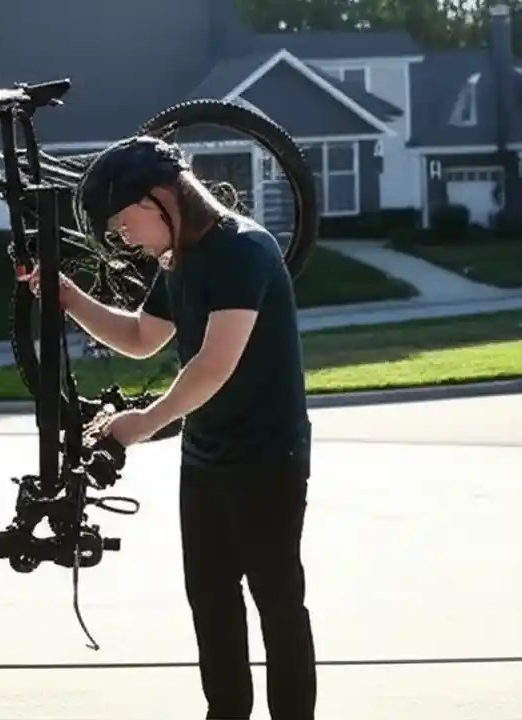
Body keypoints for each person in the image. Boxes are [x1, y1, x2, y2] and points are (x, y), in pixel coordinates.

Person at [26, 135, 316, 720]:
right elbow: (141, 338)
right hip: (206, 456)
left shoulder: (243, 250)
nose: (121, 237)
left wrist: (143, 423)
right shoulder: (179, 259)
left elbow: (213, 364)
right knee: (210, 600)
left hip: (266, 458)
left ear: (160, 198)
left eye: (122, 220)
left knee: (277, 601)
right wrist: (67, 298)